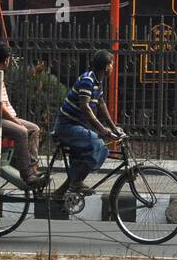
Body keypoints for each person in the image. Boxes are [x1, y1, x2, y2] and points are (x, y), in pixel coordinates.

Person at [0, 42, 44, 187]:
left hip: (0, 116)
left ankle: (31, 167)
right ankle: (27, 174)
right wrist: (16, 121)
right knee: (22, 131)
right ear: (6, 60)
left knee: (34, 129)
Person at [52, 50, 123, 196]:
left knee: (89, 153)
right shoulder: (87, 80)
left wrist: (113, 128)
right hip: (67, 127)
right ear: (106, 67)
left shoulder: (97, 81)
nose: (113, 68)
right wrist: (102, 129)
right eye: (112, 64)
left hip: (77, 126)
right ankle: (76, 183)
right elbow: (85, 107)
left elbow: (101, 104)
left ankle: (62, 192)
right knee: (99, 145)